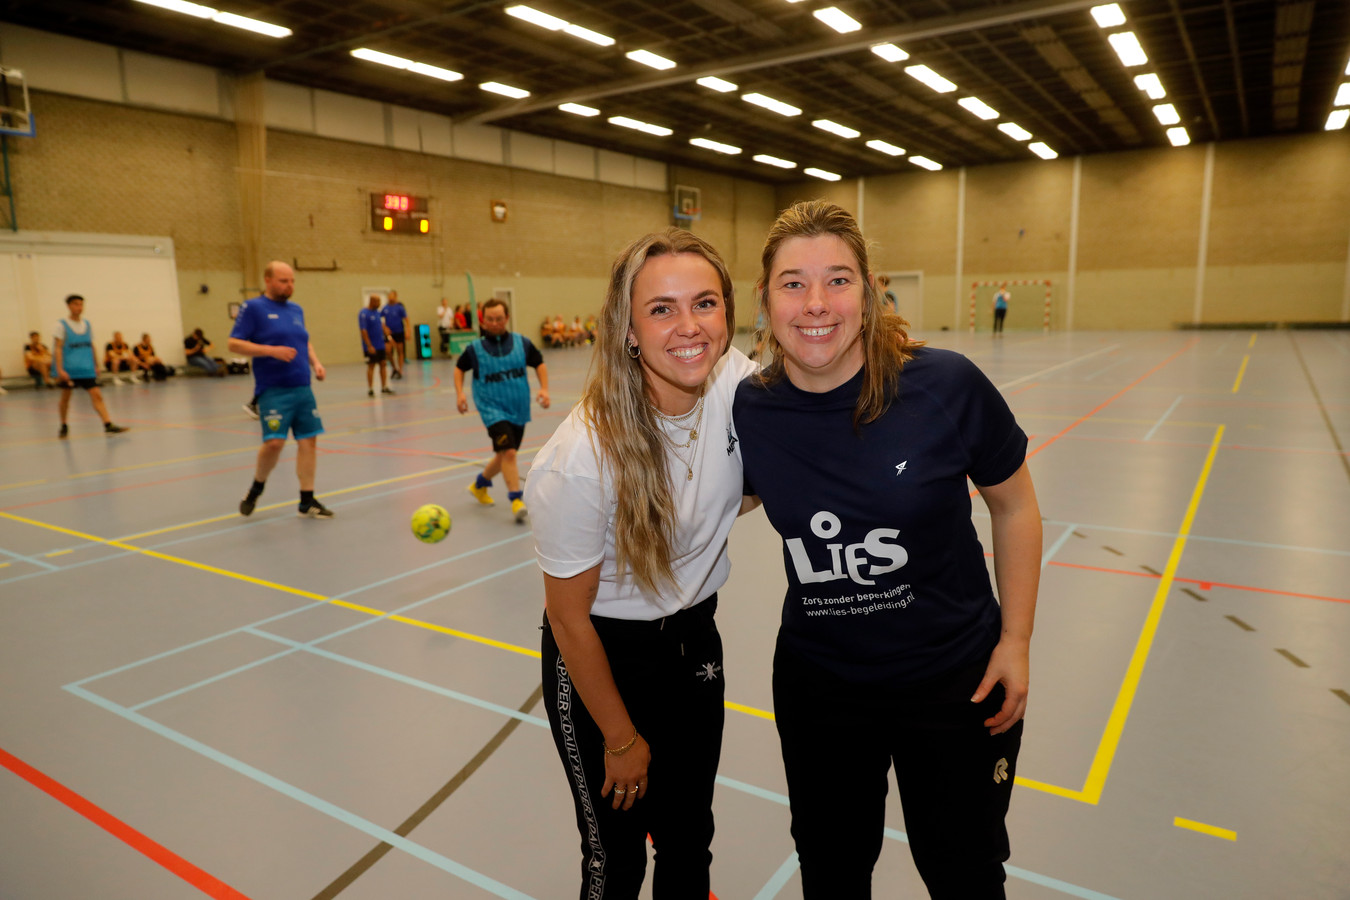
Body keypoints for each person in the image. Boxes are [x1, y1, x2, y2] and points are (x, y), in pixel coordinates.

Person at [733, 200, 1041, 898]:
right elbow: (715, 499)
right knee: (833, 872)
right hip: (822, 688)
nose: (816, 303)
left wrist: (1016, 638)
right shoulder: (749, 408)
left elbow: (1015, 504)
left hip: (955, 681)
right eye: (793, 283)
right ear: (766, 298)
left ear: (871, 292)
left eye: (838, 280)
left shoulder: (945, 385)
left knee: (964, 871)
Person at [525, 228, 757, 898]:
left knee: (690, 841)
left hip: (694, 645)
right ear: (627, 330)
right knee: (616, 857)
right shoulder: (579, 459)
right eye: (662, 309)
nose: (689, 327)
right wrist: (621, 739)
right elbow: (568, 620)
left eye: (705, 303)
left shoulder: (734, 380)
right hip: (603, 658)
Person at [229, 260, 334, 519]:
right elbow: (233, 344)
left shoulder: (296, 309)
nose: (290, 286)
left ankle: (307, 500)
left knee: (308, 441)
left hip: (302, 387)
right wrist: (270, 351)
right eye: (284, 281)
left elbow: (304, 341)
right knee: (274, 443)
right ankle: (256, 487)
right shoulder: (253, 308)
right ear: (268, 280)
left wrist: (316, 363)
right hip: (273, 389)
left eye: (292, 281)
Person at [454, 298, 549, 523]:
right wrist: (460, 393)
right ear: (483, 320)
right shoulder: (475, 350)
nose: (494, 323)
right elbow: (459, 368)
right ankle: (516, 499)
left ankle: (479, 485)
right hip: (491, 409)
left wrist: (544, 388)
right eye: (489, 319)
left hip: (518, 408)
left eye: (498, 319)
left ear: (506, 319)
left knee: (504, 453)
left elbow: (539, 363)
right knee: (509, 452)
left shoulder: (521, 343)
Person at [51, 294, 129, 437]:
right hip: (69, 369)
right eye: (75, 304)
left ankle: (108, 424)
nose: (79, 307)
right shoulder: (61, 325)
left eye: (81, 304)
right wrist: (60, 369)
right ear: (69, 306)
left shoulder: (86, 324)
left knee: (97, 395)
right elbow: (58, 348)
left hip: (86, 369)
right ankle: (63, 424)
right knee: (65, 398)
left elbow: (91, 345)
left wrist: (96, 365)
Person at [360, 295, 393, 397]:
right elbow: (363, 331)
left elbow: (381, 325)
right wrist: (369, 345)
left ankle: (384, 387)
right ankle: (370, 388)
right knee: (372, 365)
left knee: (383, 363)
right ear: (372, 301)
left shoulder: (377, 313)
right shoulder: (364, 313)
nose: (379, 304)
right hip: (371, 345)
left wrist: (387, 333)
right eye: (377, 301)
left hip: (380, 344)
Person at [381, 290, 409, 378]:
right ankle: (394, 368)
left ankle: (400, 370)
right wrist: (384, 328)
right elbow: (380, 320)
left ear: (395, 296)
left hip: (399, 332)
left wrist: (408, 331)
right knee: (388, 350)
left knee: (400, 351)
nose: (390, 297)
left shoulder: (400, 308)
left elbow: (406, 320)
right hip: (389, 334)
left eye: (392, 295)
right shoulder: (385, 308)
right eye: (389, 295)